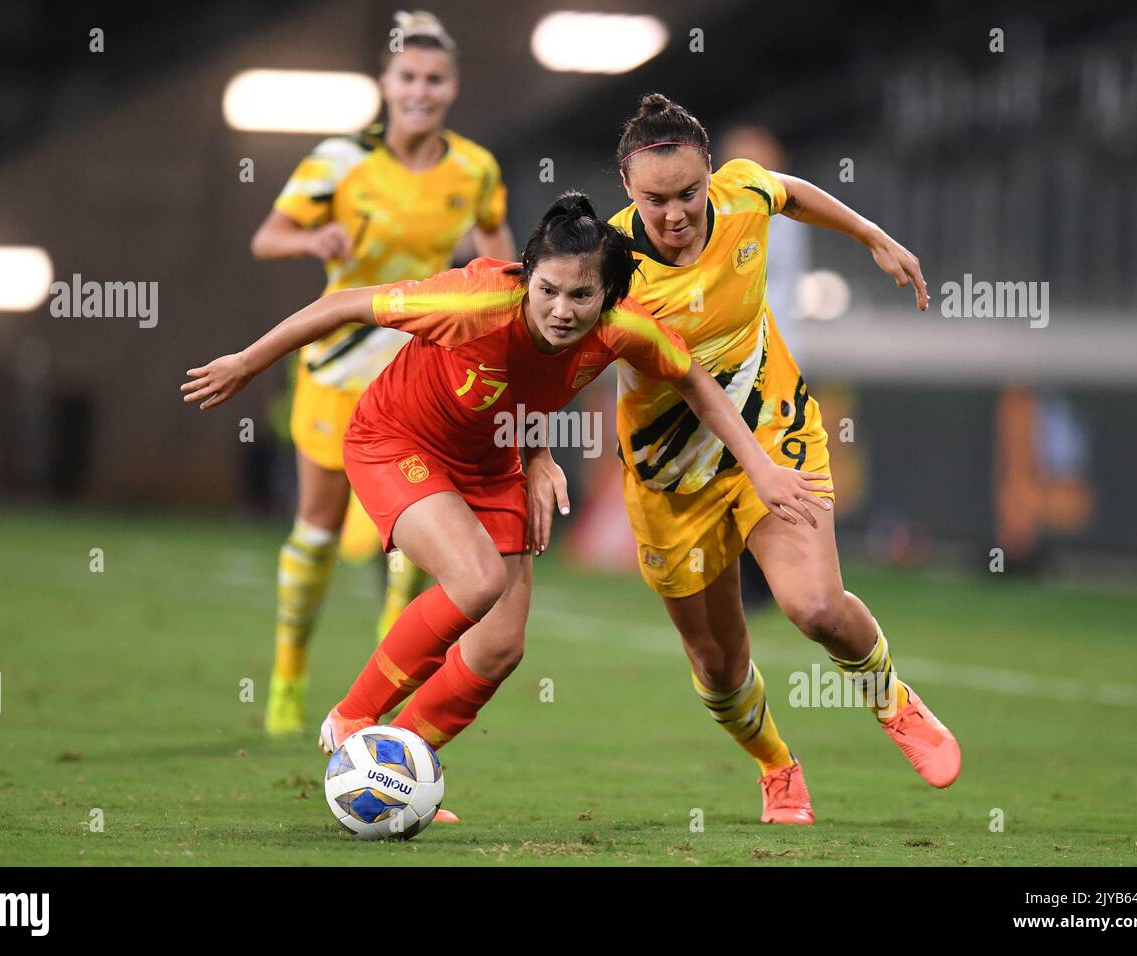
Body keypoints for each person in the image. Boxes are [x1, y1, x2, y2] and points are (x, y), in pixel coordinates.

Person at [183, 193, 833, 822]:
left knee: (498, 647)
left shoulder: (621, 330)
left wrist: (543, 454)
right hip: (395, 442)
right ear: (526, 276)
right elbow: (345, 304)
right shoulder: (470, 302)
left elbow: (690, 379)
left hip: (493, 464)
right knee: (477, 580)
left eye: (582, 295)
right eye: (547, 289)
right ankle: (355, 716)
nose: (560, 309)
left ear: (610, 297)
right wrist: (248, 361)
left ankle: (395, 770)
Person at [531, 94, 959, 825]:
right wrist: (539, 450)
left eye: (688, 193)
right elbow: (544, 350)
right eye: (655, 199)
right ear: (629, 193)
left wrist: (869, 235)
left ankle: (892, 699)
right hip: (671, 481)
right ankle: (776, 767)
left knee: (815, 606)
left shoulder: (741, 191)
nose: (676, 214)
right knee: (718, 667)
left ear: (709, 180)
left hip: (774, 439)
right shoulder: (609, 266)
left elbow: (791, 192)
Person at [248, 11, 514, 737]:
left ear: (452, 87)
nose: (420, 91)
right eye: (408, 78)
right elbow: (266, 238)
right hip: (338, 366)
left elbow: (504, 261)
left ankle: (381, 694)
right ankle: (287, 678)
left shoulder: (475, 170)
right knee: (318, 530)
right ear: (385, 84)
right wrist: (312, 237)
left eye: (434, 79)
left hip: (419, 377)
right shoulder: (339, 160)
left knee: (419, 548)